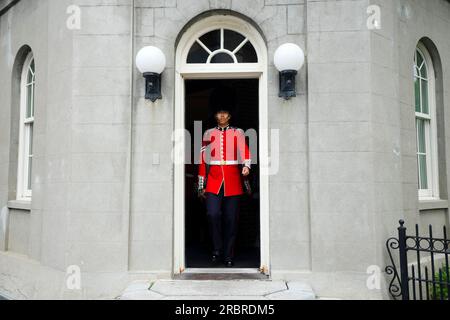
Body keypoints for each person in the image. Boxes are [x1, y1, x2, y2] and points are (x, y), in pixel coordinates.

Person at [197, 108, 252, 267]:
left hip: (232, 181)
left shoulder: (238, 132)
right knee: (212, 215)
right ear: (215, 115)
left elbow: (245, 151)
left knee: (231, 220)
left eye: (225, 113)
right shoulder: (208, 133)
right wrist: (202, 184)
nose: (221, 116)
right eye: (219, 113)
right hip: (213, 181)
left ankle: (228, 254)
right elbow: (203, 158)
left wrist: (246, 166)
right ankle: (217, 250)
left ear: (229, 116)